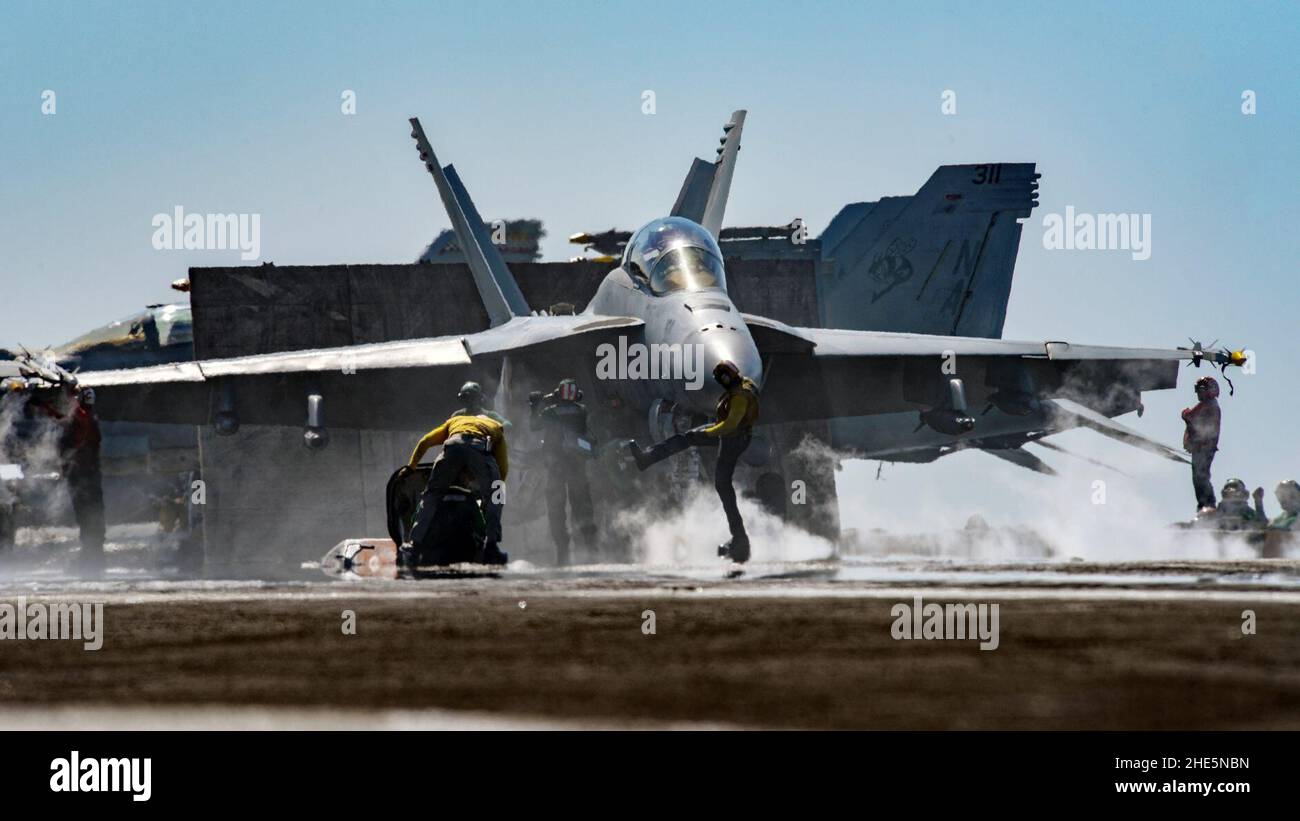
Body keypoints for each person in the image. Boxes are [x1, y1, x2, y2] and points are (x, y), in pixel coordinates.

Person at [625, 361, 759, 563]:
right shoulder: (745, 385)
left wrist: (708, 432)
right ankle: (647, 456)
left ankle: (741, 543)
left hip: (731, 437)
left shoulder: (739, 396)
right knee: (687, 440)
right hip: (733, 435)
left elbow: (730, 424)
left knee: (722, 484)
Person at [401, 411, 508, 566]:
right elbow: (503, 467)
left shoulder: (455, 421)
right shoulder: (495, 427)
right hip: (479, 447)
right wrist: (493, 494)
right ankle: (491, 547)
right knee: (498, 494)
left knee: (431, 495)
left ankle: (414, 545)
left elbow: (425, 441)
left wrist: (411, 466)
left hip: (452, 446)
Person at [529, 378, 597, 565]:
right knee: (583, 508)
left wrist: (535, 404)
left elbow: (534, 426)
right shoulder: (581, 411)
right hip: (577, 467)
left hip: (556, 468)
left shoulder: (549, 412)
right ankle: (590, 551)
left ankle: (563, 553)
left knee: (557, 510)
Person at [1181, 375, 1221, 512]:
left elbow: (1189, 416)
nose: (1198, 393)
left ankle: (1207, 504)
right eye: (1197, 389)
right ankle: (1205, 504)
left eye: (1201, 389)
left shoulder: (1208, 405)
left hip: (1203, 448)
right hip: (1202, 447)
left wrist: (1184, 413)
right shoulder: (1210, 405)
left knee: (1200, 475)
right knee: (1199, 475)